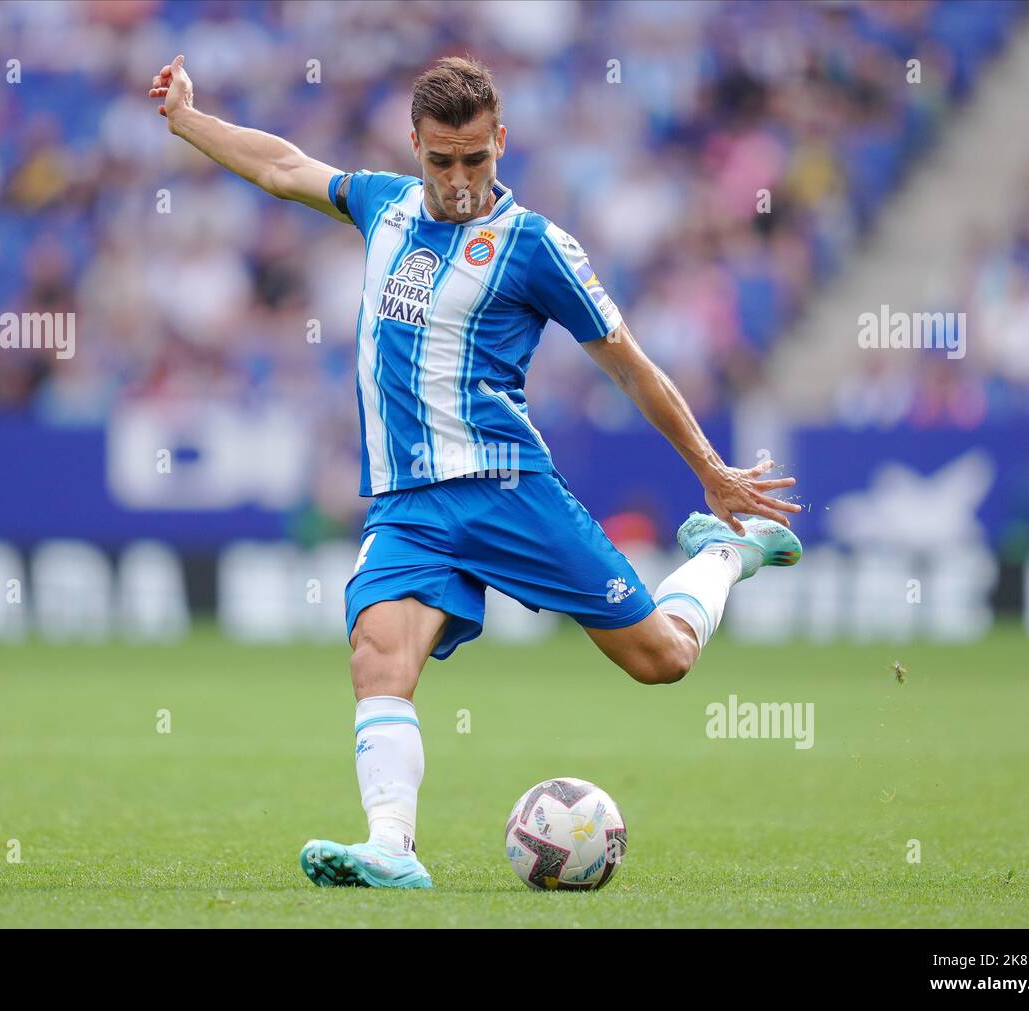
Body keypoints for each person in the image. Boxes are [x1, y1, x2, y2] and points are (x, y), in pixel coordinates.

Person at [150, 54, 802, 889]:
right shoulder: (382, 206)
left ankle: (726, 552)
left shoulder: (535, 246)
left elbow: (631, 364)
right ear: (413, 145)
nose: (458, 181)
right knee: (377, 659)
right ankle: (392, 847)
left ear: (501, 142)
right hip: (407, 503)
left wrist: (710, 470)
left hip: (506, 490)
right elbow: (282, 167)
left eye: (475, 160)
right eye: (440, 161)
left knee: (662, 660)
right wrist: (189, 120)